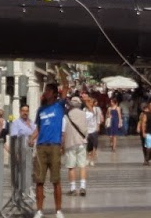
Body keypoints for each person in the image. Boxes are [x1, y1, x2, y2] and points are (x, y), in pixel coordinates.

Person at [32, 83, 66, 218]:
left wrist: (62, 72)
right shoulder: (41, 110)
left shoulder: (59, 106)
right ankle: (39, 210)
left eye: (48, 90)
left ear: (54, 93)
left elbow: (66, 88)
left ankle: (58, 210)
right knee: (39, 180)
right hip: (41, 146)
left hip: (54, 145)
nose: (45, 92)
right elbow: (38, 128)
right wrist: (32, 138)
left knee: (56, 180)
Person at [62, 96, 91, 197]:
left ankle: (73, 188)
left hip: (70, 143)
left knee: (71, 166)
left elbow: (63, 133)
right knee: (82, 165)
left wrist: (62, 145)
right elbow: (92, 114)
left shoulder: (65, 116)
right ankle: (83, 187)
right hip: (82, 143)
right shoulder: (85, 114)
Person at [7, 103, 36, 193]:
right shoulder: (16, 123)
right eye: (23, 111)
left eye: (27, 111)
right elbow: (14, 138)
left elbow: (36, 133)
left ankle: (29, 188)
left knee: (30, 171)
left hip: (31, 151)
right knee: (21, 171)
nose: (25, 113)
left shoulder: (32, 123)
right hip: (21, 150)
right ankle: (21, 190)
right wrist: (16, 153)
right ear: (20, 112)